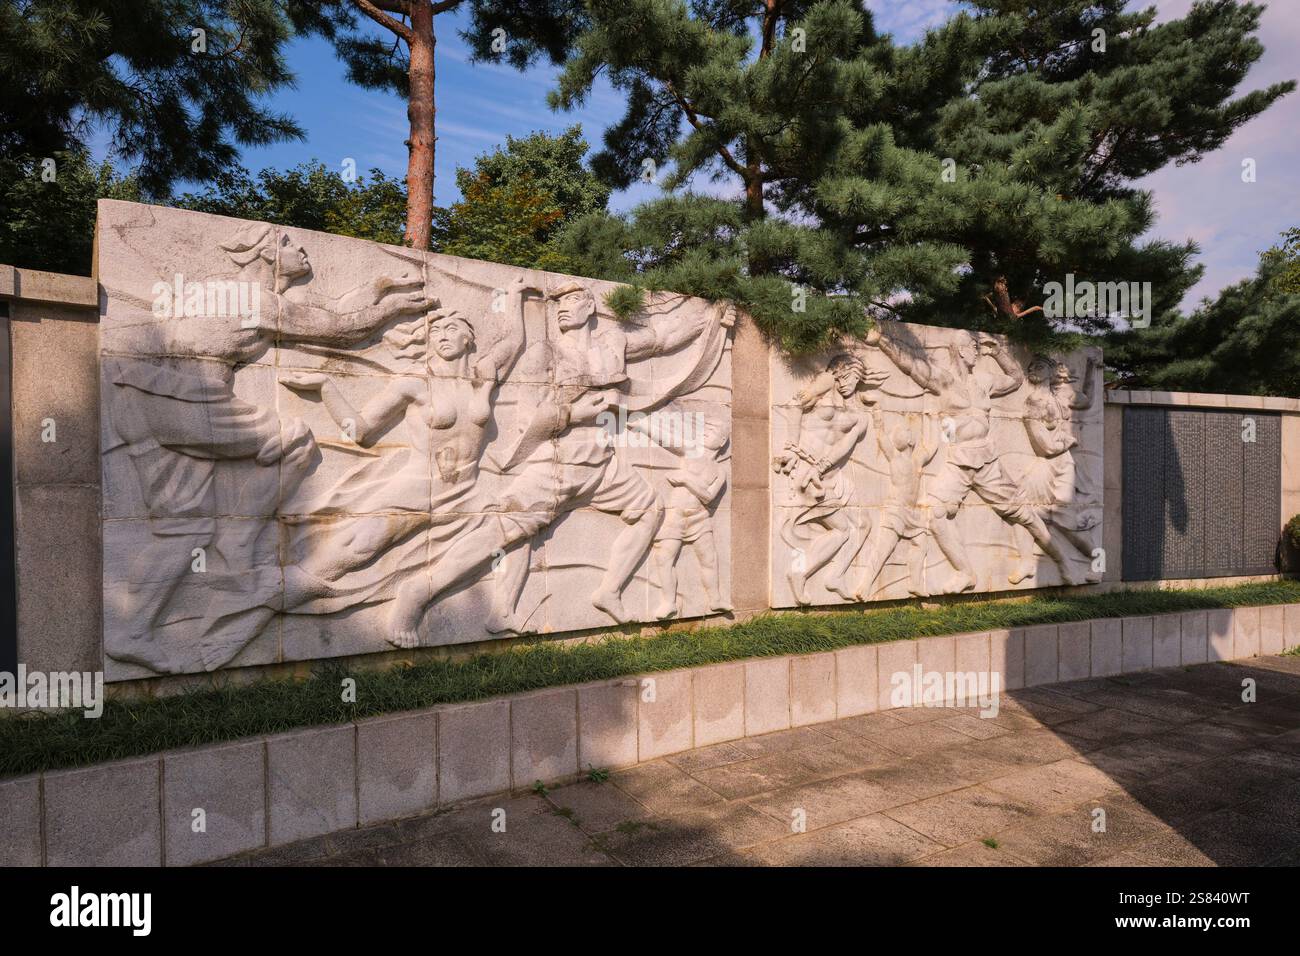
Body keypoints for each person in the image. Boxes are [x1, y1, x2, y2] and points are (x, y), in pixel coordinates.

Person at [386, 282, 713, 641]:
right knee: (500, 532)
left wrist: (710, 317)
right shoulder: (543, 355)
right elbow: (529, 421)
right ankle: (417, 593)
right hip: (558, 464)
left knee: (650, 509)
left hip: (602, 464)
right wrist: (573, 413)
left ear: (590, 306)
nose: (562, 307)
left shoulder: (612, 343)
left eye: (571, 300)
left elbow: (661, 338)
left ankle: (608, 592)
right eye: (556, 302)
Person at [864, 321, 1091, 592]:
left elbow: (1015, 379)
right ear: (960, 350)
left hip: (988, 461)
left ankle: (1064, 562)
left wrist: (998, 353)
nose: (976, 352)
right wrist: (882, 341)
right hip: (958, 461)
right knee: (935, 513)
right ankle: (965, 573)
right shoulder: (943, 380)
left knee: (1024, 514)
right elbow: (911, 365)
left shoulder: (984, 381)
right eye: (973, 347)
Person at [772, 353, 888, 603]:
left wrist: (823, 466)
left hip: (831, 475)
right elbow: (794, 404)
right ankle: (799, 574)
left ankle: (835, 576)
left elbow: (844, 447)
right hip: (806, 470)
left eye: (857, 380)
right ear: (838, 373)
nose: (851, 385)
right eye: (848, 378)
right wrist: (791, 447)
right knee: (842, 529)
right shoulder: (823, 388)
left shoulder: (857, 414)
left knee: (864, 524)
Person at [853, 406, 939, 600]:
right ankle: (864, 585)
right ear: (908, 440)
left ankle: (915, 583)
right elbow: (882, 436)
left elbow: (933, 445)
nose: (912, 433)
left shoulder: (917, 460)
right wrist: (877, 416)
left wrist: (933, 420)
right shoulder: (895, 457)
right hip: (896, 509)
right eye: (908, 431)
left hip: (912, 513)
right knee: (883, 549)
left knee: (922, 543)